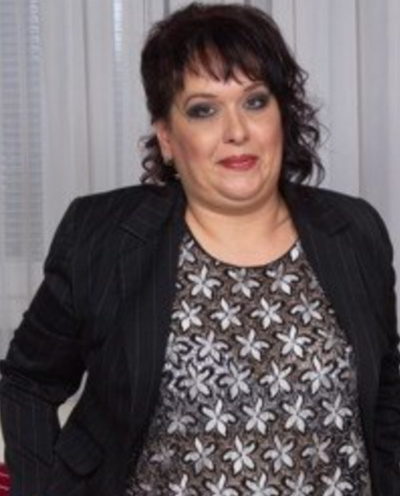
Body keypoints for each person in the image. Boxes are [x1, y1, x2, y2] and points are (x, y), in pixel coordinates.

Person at [1, 2, 399, 495]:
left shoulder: (355, 231)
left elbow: (386, 392)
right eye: (203, 110)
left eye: (255, 101)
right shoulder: (102, 238)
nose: (237, 131)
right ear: (167, 138)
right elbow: (28, 382)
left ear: (282, 115)